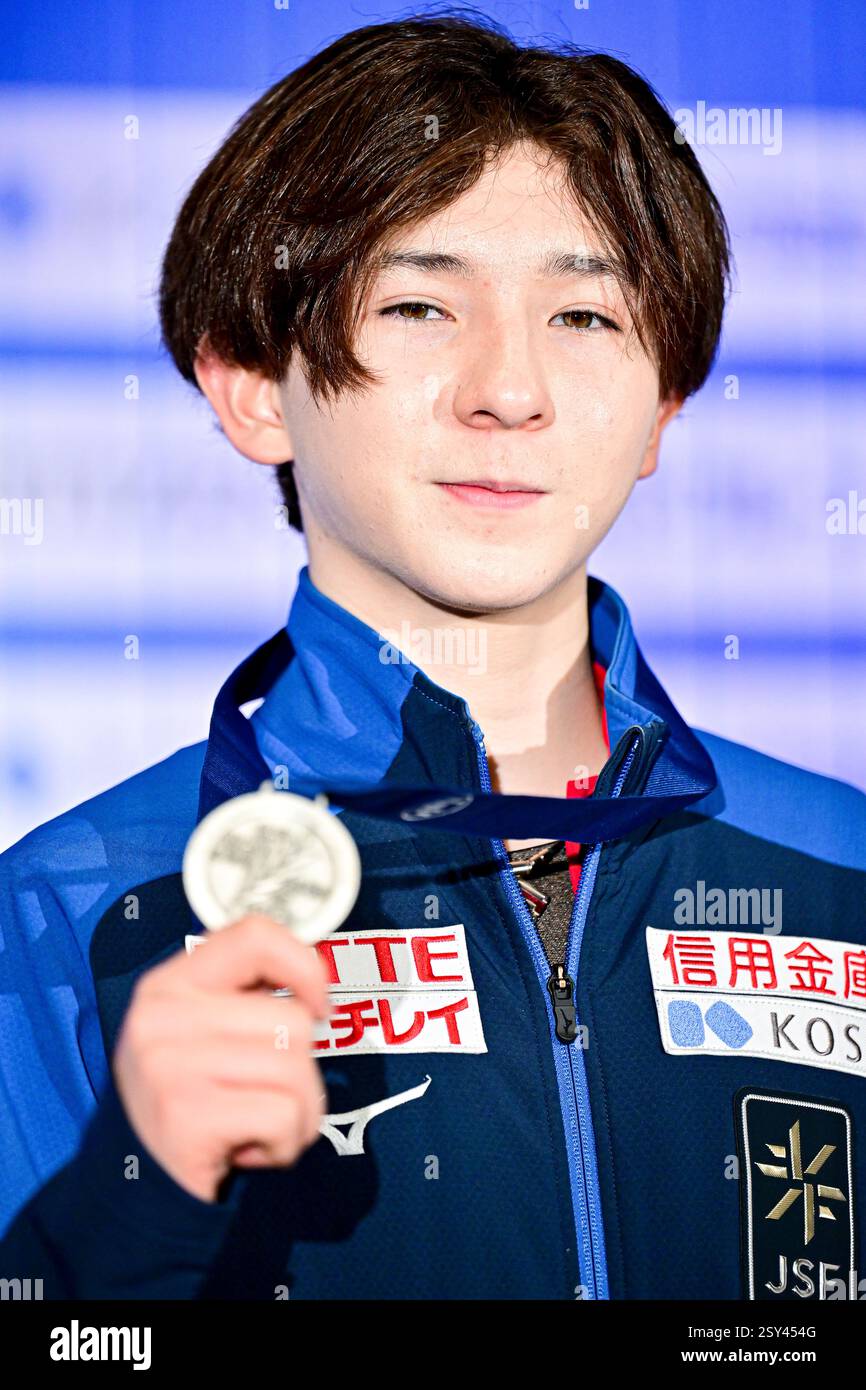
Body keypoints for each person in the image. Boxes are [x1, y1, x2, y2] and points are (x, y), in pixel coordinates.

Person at [1, 12, 864, 1302]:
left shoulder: (836, 865)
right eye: (418, 304)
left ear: (660, 415)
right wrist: (131, 1213)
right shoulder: (75, 914)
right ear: (251, 386)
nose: (509, 390)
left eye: (584, 316)